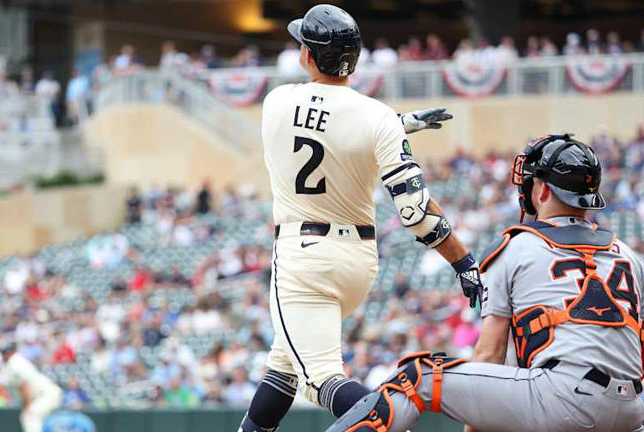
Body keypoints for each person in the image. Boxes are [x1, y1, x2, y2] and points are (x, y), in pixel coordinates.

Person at [237, 4, 483, 432]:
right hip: (357, 263)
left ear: (308, 56)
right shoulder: (378, 117)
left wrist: (396, 124)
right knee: (283, 366)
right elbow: (416, 213)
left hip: (303, 260)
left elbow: (319, 127)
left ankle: (390, 421)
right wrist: (463, 261)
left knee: (321, 381)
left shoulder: (277, 102)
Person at [328, 134, 644, 432]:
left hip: (563, 399)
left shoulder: (517, 246)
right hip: (632, 411)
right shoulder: (629, 255)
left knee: (418, 377)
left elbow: (490, 356)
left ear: (543, 190)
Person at [0, 340, 63, 432]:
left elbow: (23, 386)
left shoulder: (14, 363)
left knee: (30, 416)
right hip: (43, 395)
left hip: (46, 395)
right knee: (34, 418)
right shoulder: (17, 360)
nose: (4, 354)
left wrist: (27, 406)